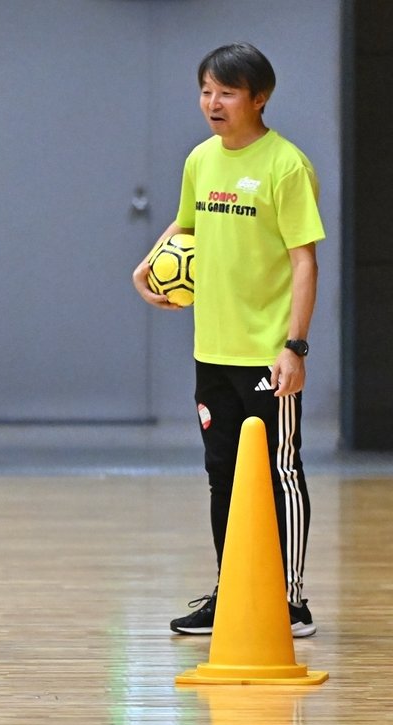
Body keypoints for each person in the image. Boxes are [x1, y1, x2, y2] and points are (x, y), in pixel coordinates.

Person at [131, 42, 324, 638]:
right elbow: (186, 225)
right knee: (224, 476)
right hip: (211, 350)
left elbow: (304, 261)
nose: (212, 103)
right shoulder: (200, 160)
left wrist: (294, 346)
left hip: (268, 354)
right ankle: (232, 589)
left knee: (280, 472)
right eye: (206, 91)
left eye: (227, 92)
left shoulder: (285, 165)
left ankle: (290, 599)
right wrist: (146, 265)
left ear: (258, 98)